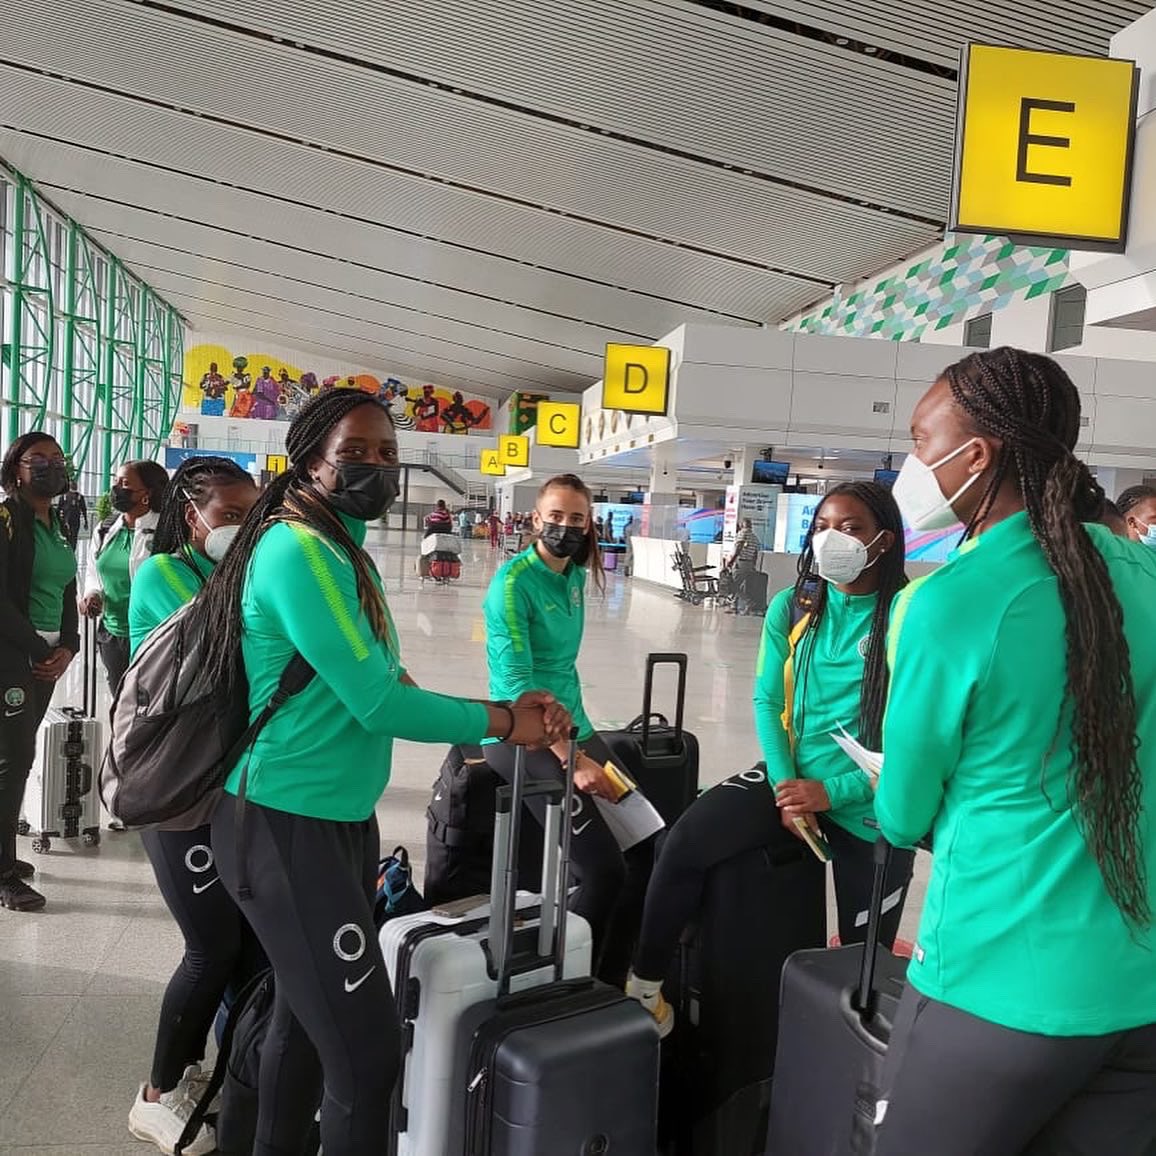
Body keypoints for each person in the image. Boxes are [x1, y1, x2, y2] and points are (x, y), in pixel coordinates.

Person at [192, 391, 567, 1154]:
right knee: (365, 1059)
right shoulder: (300, 550)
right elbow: (375, 702)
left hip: (334, 823)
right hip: (282, 824)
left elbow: (379, 682)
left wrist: (497, 705)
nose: (376, 468)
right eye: (354, 453)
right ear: (308, 460)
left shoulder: (339, 549)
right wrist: (501, 722)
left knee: (303, 1034)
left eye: (388, 454)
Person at [872, 347, 1156, 1155]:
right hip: (1138, 992)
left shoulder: (951, 602)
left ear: (978, 453)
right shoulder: (1146, 576)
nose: (915, 463)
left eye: (922, 441)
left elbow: (901, 813)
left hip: (994, 988)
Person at [624, 483, 913, 1034]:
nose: (833, 539)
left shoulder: (906, 615)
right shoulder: (795, 605)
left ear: (883, 541)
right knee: (682, 842)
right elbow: (768, 700)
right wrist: (786, 786)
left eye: (850, 528)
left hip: (870, 798)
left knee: (863, 961)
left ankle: (842, 1064)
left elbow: (920, 738)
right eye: (823, 526)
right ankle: (645, 987)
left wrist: (834, 793)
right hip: (791, 777)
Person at [126, 456, 260, 1156]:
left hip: (225, 787)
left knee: (240, 944)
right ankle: (154, 1096)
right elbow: (224, 656)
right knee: (211, 948)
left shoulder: (225, 573)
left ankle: (213, 1067)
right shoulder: (165, 576)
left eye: (252, 512)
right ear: (191, 516)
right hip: (176, 792)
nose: (243, 527)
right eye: (231, 514)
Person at [484, 474, 653, 982]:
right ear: (535, 519)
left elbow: (563, 666)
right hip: (525, 737)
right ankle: (562, 980)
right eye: (554, 516)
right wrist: (569, 758)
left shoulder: (575, 576)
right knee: (602, 872)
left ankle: (612, 977)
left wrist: (580, 744)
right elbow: (517, 686)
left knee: (648, 847)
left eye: (576, 518)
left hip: (574, 729)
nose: (564, 526)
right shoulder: (513, 585)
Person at [0, 432, 79, 912]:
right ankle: (5, 874)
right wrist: (34, 648)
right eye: (38, 460)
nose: (50, 466)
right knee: (11, 762)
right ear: (16, 470)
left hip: (45, 655)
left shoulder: (59, 525)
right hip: (12, 655)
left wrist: (68, 645)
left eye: (56, 458)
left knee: (18, 759)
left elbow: (67, 590)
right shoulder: (7, 519)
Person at [80, 460, 168, 692]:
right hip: (112, 633)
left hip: (152, 634)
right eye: (116, 481)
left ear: (147, 493)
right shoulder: (106, 528)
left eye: (125, 483)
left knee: (149, 701)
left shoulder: (166, 532)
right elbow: (94, 570)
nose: (117, 488)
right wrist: (92, 593)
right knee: (120, 701)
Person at [727, 517, 761, 614]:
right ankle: (733, 606)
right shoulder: (754, 537)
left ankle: (748, 602)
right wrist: (753, 565)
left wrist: (732, 560)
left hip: (740, 562)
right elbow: (755, 553)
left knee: (732, 585)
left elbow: (739, 546)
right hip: (749, 563)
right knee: (738, 584)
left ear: (742, 525)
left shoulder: (743, 533)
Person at [57, 480, 88, 549]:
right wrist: (86, 522)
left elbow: (58, 510)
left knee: (70, 538)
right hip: (68, 521)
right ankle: (70, 552)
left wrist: (86, 521)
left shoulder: (78, 497)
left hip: (69, 521)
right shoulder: (65, 496)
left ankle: (70, 552)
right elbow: (84, 510)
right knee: (72, 538)